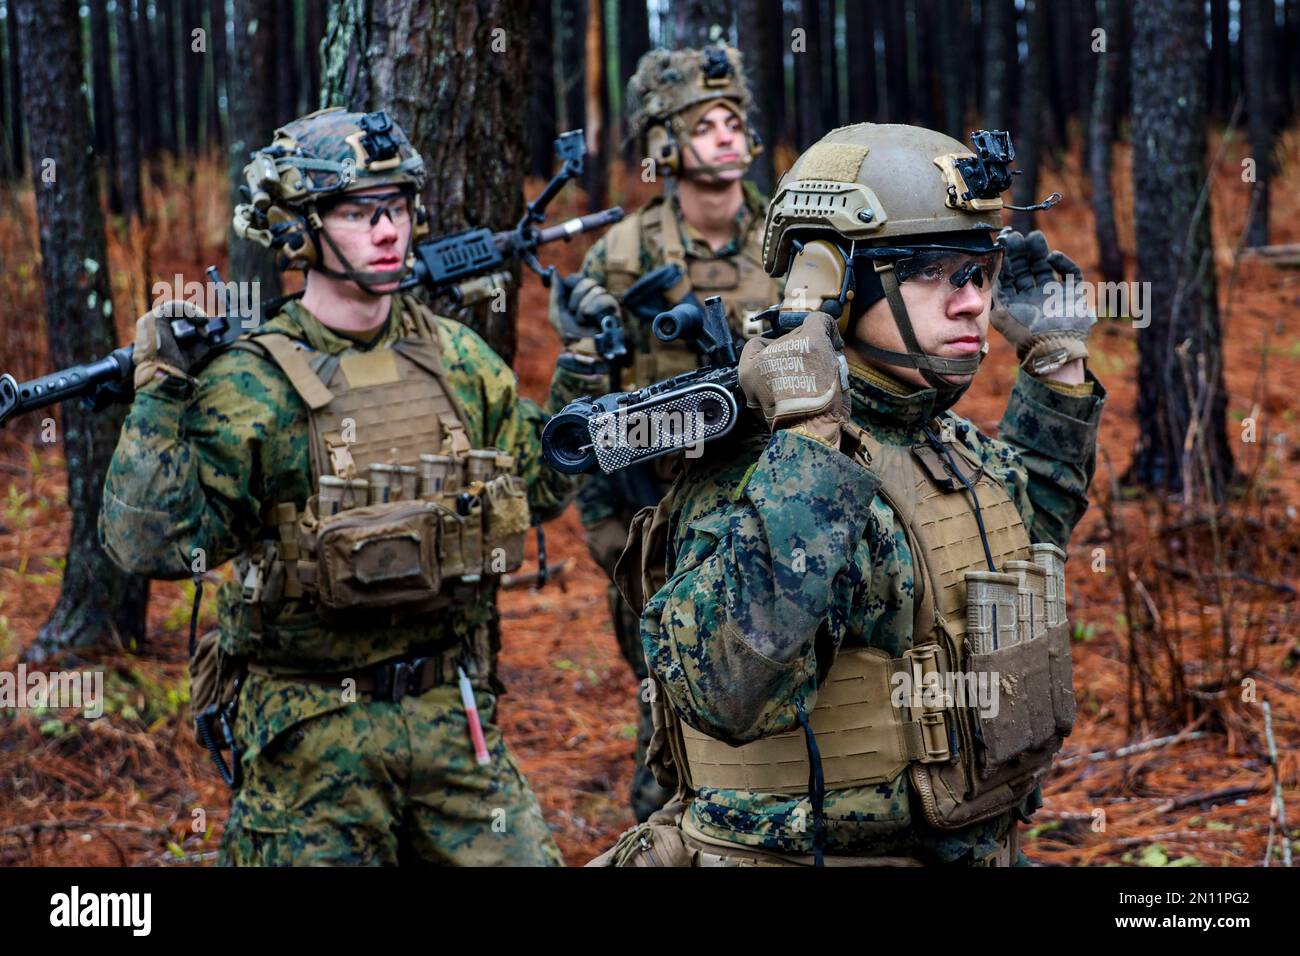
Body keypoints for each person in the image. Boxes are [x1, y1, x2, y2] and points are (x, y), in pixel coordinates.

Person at [99, 107, 608, 865]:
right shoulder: (249, 385)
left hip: (451, 720)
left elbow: (534, 492)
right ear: (301, 231)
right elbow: (150, 545)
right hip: (308, 740)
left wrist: (583, 368)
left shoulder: (460, 361)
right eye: (358, 211)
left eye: (398, 207)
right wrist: (160, 395)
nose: (387, 230)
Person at [593, 122, 1105, 867]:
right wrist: (807, 431)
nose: (972, 303)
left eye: (981, 269)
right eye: (935, 270)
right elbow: (724, 687)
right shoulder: (763, 473)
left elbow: (1027, 531)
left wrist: (1055, 363)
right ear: (831, 280)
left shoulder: (935, 438)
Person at [549, 45, 782, 822]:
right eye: (704, 124)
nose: (726, 136)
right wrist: (613, 537)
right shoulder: (619, 258)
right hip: (664, 528)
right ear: (662, 146)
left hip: (783, 518)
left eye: (734, 121)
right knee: (673, 719)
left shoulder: (794, 244)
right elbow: (589, 414)